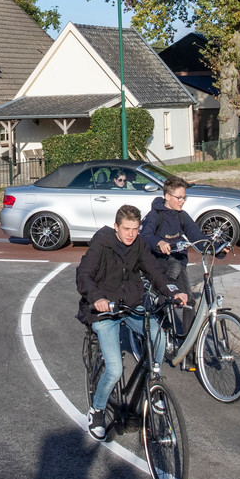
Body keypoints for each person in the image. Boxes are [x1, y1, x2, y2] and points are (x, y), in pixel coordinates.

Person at [76, 204, 188, 440]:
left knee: (158, 335)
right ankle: (96, 410)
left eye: (135, 229)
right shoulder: (102, 245)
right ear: (116, 227)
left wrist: (173, 291)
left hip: (130, 305)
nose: (130, 234)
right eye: (126, 228)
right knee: (115, 369)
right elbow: (83, 275)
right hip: (104, 310)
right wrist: (98, 299)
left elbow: (154, 271)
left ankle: (154, 385)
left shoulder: (138, 244)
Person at [139, 175, 206, 287]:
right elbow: (145, 235)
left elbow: (195, 234)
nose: (182, 201)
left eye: (184, 197)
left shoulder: (182, 215)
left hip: (179, 260)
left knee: (179, 274)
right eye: (179, 198)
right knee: (175, 275)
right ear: (167, 196)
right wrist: (159, 242)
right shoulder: (155, 215)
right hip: (159, 260)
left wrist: (218, 247)